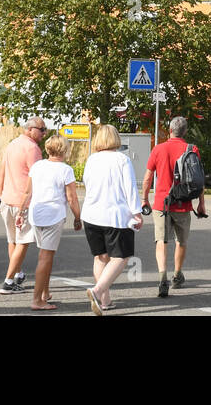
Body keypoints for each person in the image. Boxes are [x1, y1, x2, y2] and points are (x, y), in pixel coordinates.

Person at [141, 116, 207, 298]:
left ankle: (163, 276)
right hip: (183, 203)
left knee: (161, 241)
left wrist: (144, 199)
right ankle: (177, 275)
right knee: (181, 241)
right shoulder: (192, 149)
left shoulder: (158, 149)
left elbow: (147, 178)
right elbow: (198, 179)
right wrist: (201, 203)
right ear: (185, 132)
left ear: (170, 130)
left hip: (162, 204)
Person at [81, 125, 143, 315]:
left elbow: (86, 183)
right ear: (116, 138)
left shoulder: (91, 160)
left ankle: (104, 300)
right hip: (115, 216)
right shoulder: (122, 160)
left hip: (91, 215)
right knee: (121, 257)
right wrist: (137, 212)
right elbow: (130, 188)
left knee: (100, 257)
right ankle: (97, 291)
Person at [20, 133, 82, 311]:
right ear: (64, 149)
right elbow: (72, 198)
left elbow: (27, 192)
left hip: (36, 214)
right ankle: (37, 300)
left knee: (46, 255)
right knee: (45, 258)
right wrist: (77, 217)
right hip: (53, 216)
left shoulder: (38, 166)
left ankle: (44, 292)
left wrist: (21, 212)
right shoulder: (65, 170)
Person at [0, 115, 46, 295]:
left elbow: (2, 171)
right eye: (41, 129)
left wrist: (1, 194)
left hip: (7, 198)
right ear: (30, 129)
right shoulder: (32, 148)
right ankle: (8, 282)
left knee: (13, 240)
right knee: (23, 241)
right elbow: (37, 177)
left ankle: (17, 274)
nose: (44, 133)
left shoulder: (12, 144)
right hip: (22, 201)